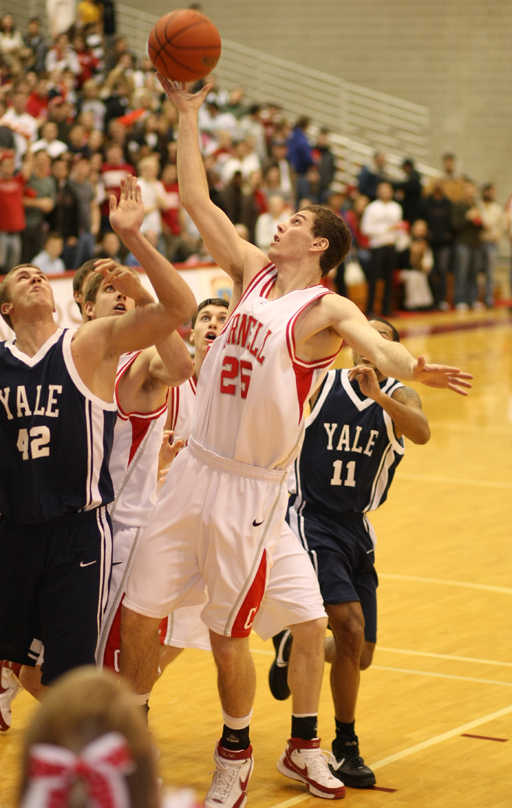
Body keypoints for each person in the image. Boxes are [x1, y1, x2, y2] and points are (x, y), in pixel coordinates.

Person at [120, 80, 471, 808]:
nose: (278, 223)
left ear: (317, 244)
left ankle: (236, 755)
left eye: (294, 220)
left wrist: (412, 367)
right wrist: (187, 116)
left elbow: (374, 341)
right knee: (141, 613)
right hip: (192, 470)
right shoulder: (252, 273)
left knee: (229, 634)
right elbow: (197, 203)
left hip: (249, 489)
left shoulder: (323, 304)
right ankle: (136, 749)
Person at [0, 176, 196, 701]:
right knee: (28, 665)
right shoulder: (24, 358)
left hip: (98, 526)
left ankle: (120, 733)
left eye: (41, 274)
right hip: (21, 526)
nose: (36, 277)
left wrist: (136, 252)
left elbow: (179, 341)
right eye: (23, 276)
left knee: (104, 659)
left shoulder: (107, 349)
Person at [268, 317, 430, 789]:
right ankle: (342, 744)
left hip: (357, 529)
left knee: (359, 654)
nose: (367, 345)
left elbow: (419, 432)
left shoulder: (399, 396)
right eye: (362, 337)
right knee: (351, 626)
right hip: (311, 520)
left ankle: (291, 643)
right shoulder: (324, 385)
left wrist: (379, 394)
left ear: (393, 352)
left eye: (380, 340)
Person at [361, 181, 403, 316]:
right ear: (378, 192)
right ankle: (370, 308)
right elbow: (365, 229)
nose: (386, 193)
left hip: (391, 245)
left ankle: (386, 308)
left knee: (389, 279)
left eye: (388, 190)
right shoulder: (372, 208)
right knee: (374, 279)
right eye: (383, 190)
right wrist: (386, 229)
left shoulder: (396, 207)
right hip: (377, 246)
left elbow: (399, 228)